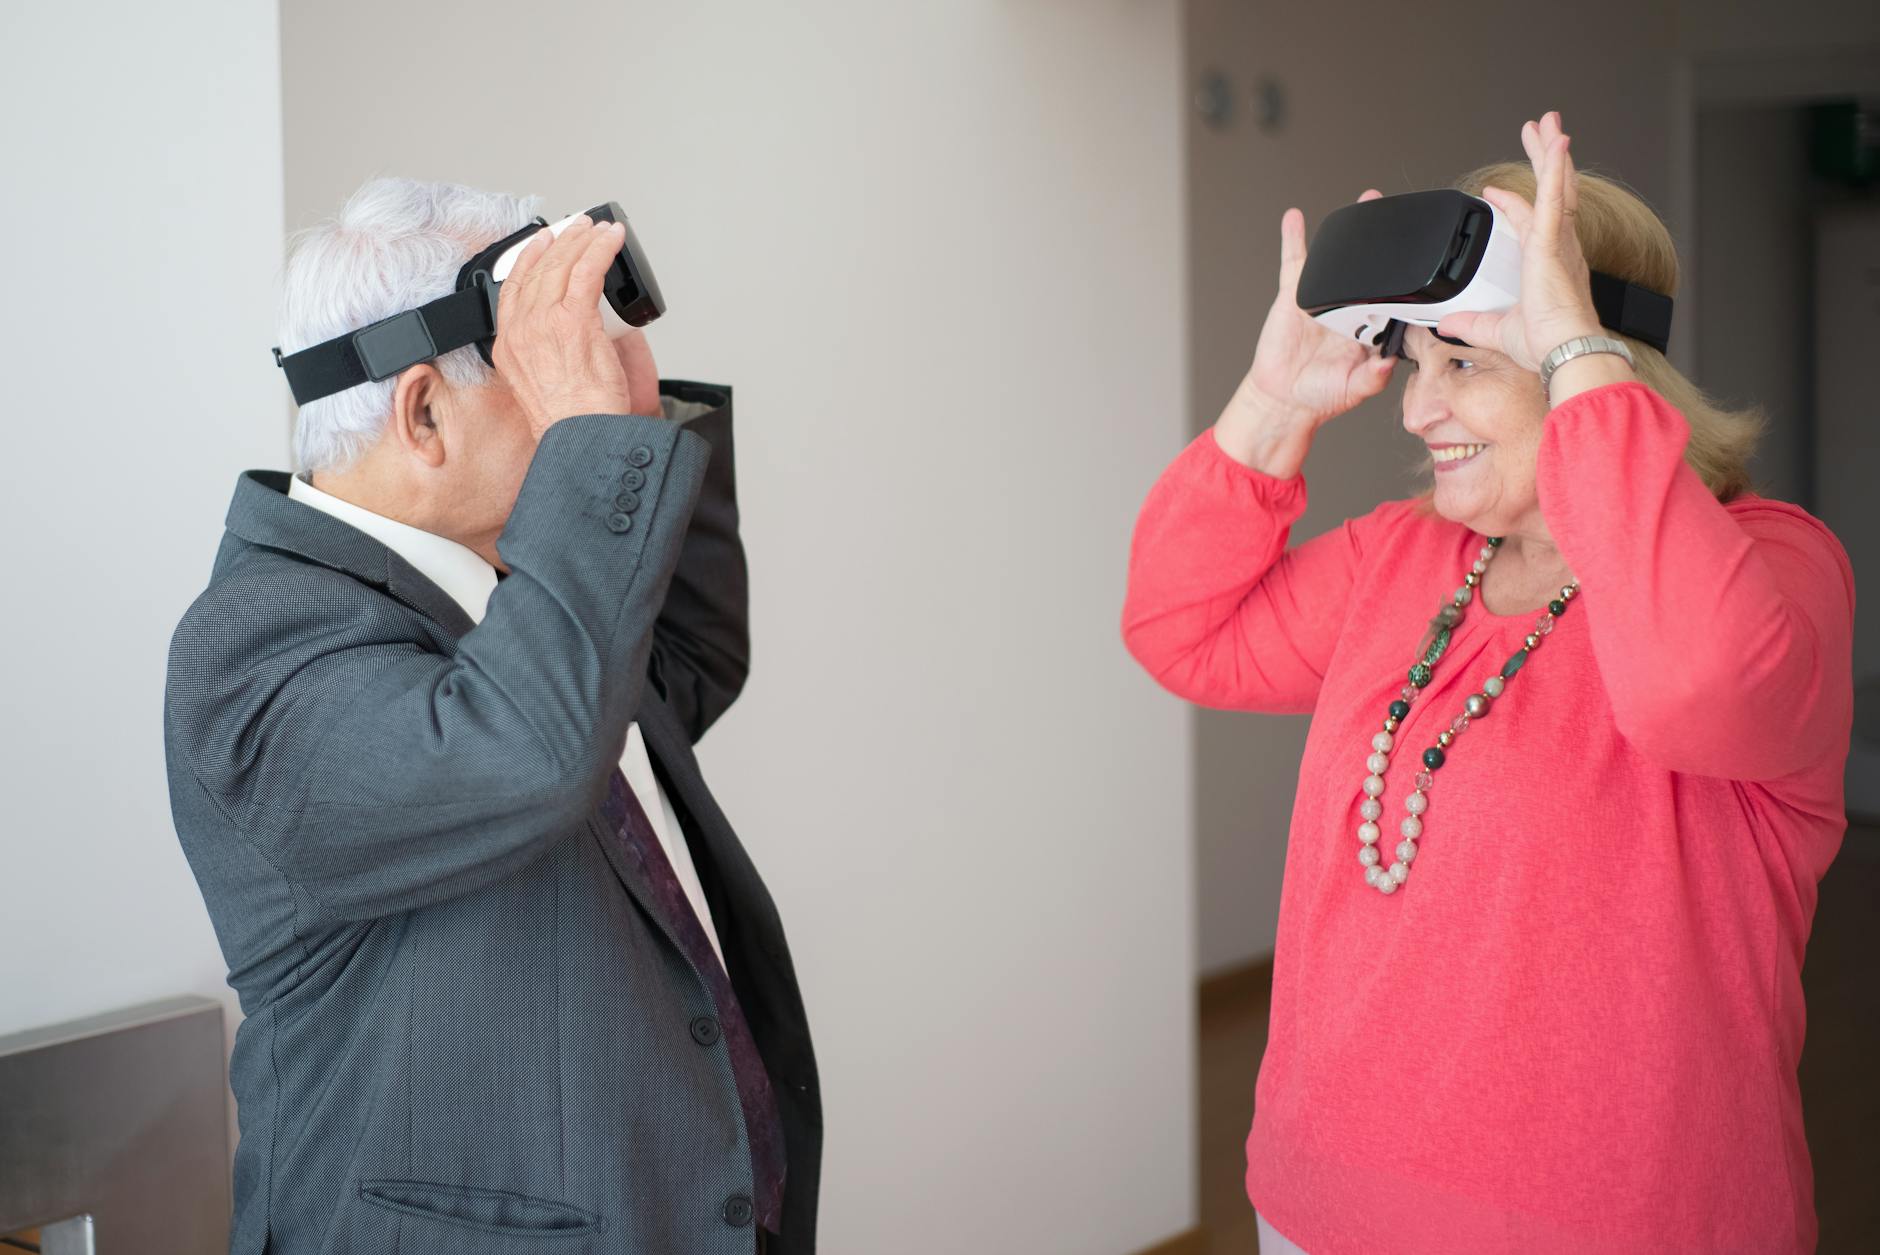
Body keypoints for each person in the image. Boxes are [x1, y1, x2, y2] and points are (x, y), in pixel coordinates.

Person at [1123, 113, 1854, 1253]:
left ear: (1594, 364)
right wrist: (1274, 402)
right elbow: (1183, 631)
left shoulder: (1769, 565)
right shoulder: (1402, 557)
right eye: (1418, 363)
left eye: (1462, 362)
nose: (1416, 409)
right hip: (1314, 1207)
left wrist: (1574, 352)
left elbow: (1689, 684)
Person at [164, 178, 818, 1254]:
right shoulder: (253, 645)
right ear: (423, 412)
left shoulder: (496, 591)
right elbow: (526, 752)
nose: (584, 392)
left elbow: (687, 663)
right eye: (545, 369)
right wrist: (599, 460)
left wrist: (636, 427)